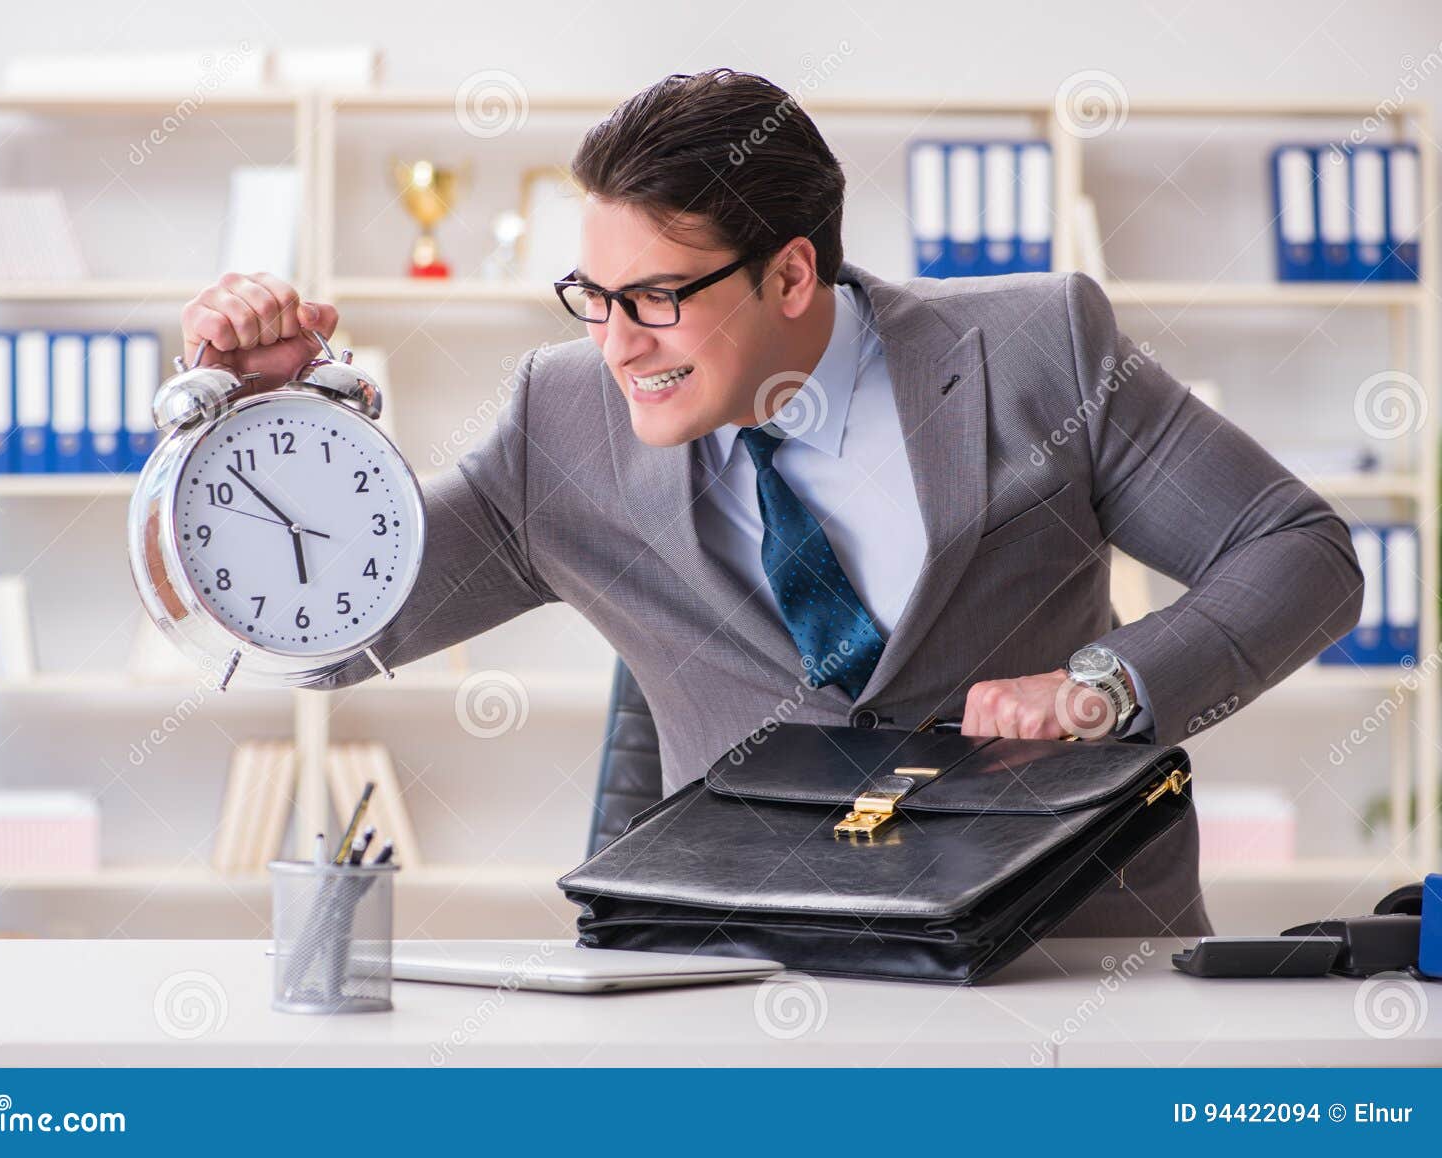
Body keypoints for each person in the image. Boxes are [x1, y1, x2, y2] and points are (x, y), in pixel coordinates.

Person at [179, 69, 1362, 936]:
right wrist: (266, 435)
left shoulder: (1037, 351)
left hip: (1068, 971)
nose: (615, 346)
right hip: (750, 990)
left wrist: (1102, 687)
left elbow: (1297, 549)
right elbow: (333, 636)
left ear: (792, 271)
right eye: (590, 297)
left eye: (652, 299)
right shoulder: (562, 425)